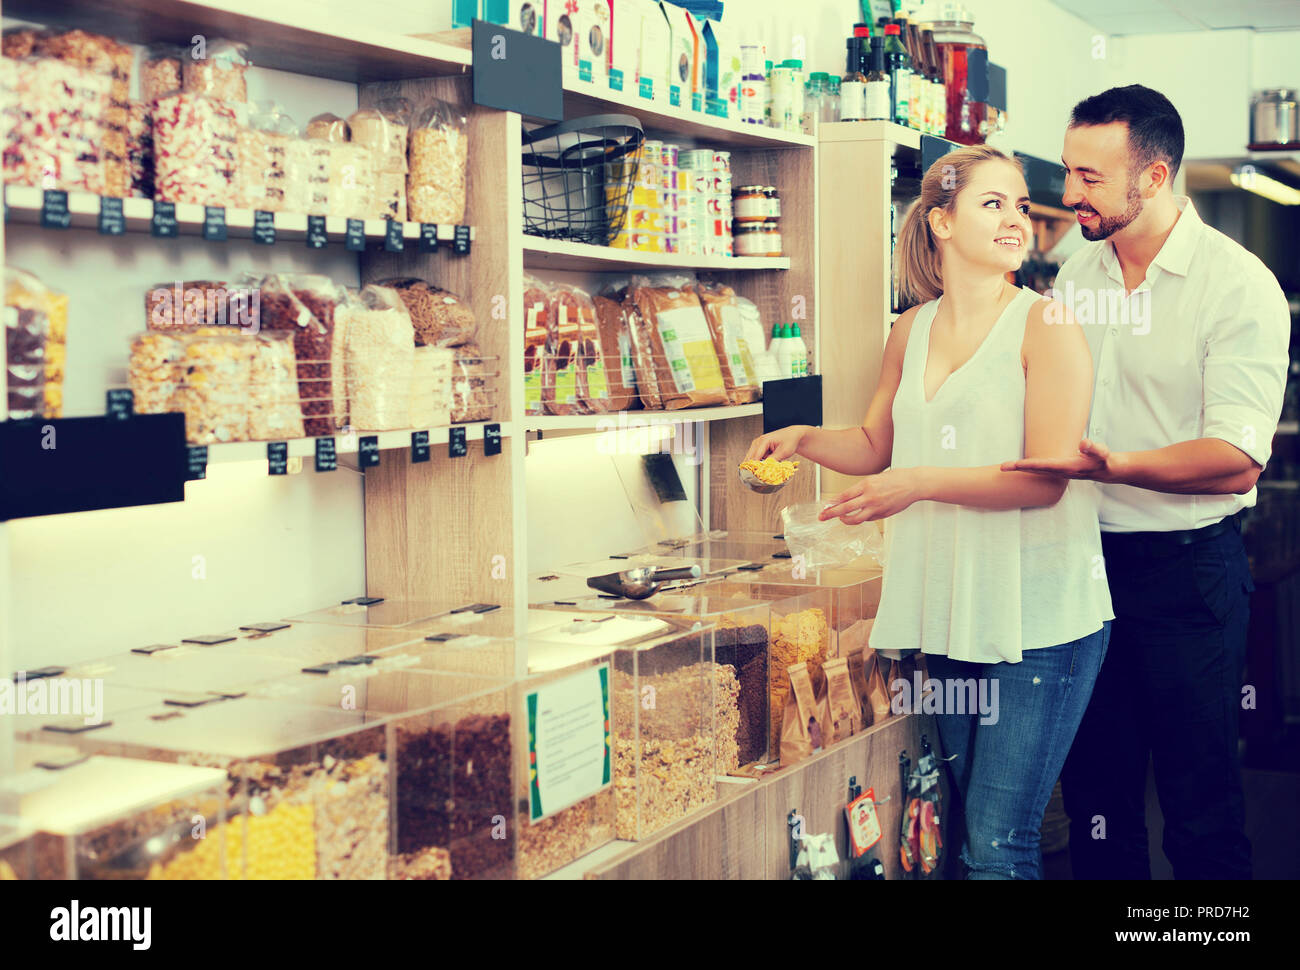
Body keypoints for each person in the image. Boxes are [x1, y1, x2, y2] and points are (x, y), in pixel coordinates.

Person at [747, 145, 1113, 879]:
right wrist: (808, 439)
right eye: (993, 203)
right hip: (952, 609)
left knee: (997, 845)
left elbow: (1046, 481)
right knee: (955, 834)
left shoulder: (1048, 324)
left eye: (1019, 205)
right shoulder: (911, 329)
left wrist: (916, 484)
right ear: (941, 221)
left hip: (1038, 619)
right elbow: (878, 444)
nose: (1016, 218)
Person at [1003, 85, 1291, 880]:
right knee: (1097, 801)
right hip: (1082, 570)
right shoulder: (1073, 274)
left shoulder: (1237, 286)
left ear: (1154, 177)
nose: (1069, 194)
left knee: (1200, 812)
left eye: (1090, 178)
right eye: (1069, 171)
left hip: (1187, 573)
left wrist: (1116, 466)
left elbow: (1237, 456)